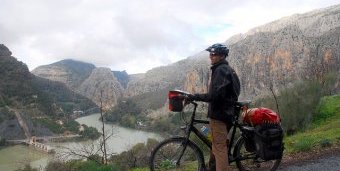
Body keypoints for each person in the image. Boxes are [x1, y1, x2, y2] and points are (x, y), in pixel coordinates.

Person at [187, 43, 240, 171]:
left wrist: (195, 97)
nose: (211, 56)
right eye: (210, 53)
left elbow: (214, 96)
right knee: (217, 144)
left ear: (222, 56)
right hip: (226, 113)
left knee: (220, 148)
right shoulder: (227, 69)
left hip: (220, 115)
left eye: (214, 54)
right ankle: (211, 167)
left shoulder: (221, 70)